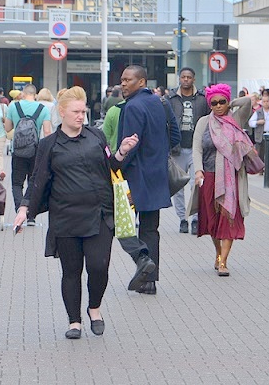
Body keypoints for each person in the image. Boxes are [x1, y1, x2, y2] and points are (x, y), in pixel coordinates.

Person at [13, 86, 139, 339]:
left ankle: (94, 308)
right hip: (65, 216)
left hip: (99, 213)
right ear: (62, 112)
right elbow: (37, 179)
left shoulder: (96, 137)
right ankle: (74, 321)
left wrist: (122, 152)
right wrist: (25, 208)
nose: (81, 116)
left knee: (98, 266)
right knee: (71, 271)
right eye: (76, 111)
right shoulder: (49, 144)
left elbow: (110, 167)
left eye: (83, 111)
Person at [116, 65, 175, 295]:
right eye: (121, 80)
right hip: (156, 175)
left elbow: (129, 145)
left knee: (123, 226)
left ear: (141, 82)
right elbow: (175, 134)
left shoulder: (132, 107)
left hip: (135, 177)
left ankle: (143, 263)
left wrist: (117, 167)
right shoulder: (159, 102)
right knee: (151, 229)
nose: (123, 84)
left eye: (127, 80)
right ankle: (150, 281)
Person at [190, 84, 254, 276]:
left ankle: (223, 262)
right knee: (213, 221)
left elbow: (248, 101)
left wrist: (231, 102)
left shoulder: (235, 118)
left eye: (222, 102)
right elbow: (197, 148)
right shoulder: (203, 122)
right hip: (209, 176)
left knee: (228, 220)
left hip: (231, 178)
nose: (218, 106)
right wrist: (198, 171)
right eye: (213, 102)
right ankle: (218, 255)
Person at [166, 67, 210, 234]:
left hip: (196, 149)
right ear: (179, 79)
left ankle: (195, 218)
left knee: (196, 184)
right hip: (176, 149)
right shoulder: (170, 99)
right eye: (183, 77)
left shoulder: (202, 99)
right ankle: (182, 218)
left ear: (194, 79)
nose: (185, 79)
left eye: (189, 77)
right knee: (178, 186)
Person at [5, 84, 51, 219]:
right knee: (34, 182)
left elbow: (7, 128)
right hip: (35, 151)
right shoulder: (42, 109)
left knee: (17, 183)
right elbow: (47, 132)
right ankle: (31, 216)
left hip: (18, 151)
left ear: (23, 94)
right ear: (35, 95)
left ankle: (20, 211)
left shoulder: (14, 106)